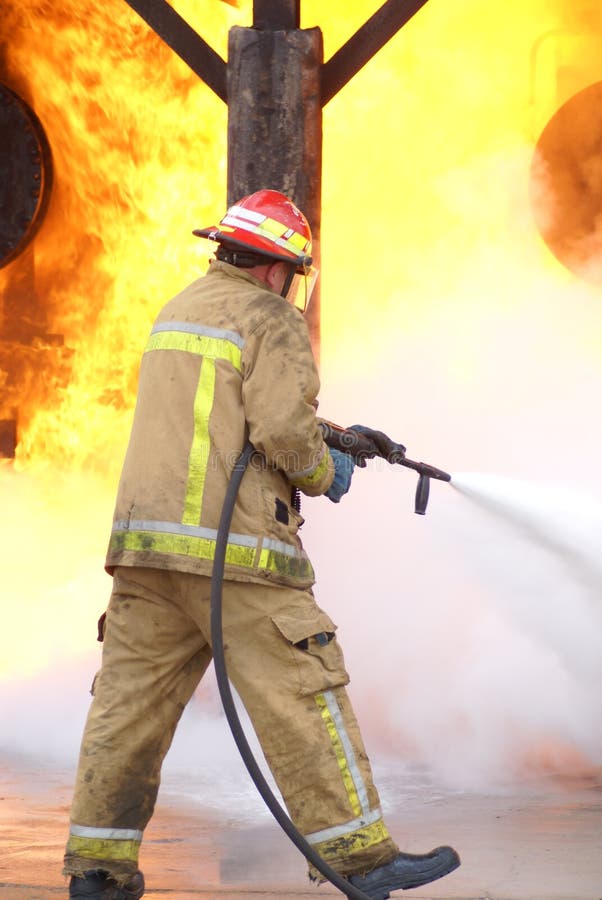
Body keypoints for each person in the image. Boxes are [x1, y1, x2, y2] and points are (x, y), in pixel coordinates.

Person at [63, 189, 460, 899]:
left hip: (145, 556)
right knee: (305, 697)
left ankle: (98, 869)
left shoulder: (179, 309)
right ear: (280, 268)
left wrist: (339, 434)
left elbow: (221, 415)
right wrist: (324, 468)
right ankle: (362, 861)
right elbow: (279, 431)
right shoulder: (269, 318)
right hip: (236, 555)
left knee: (127, 712)